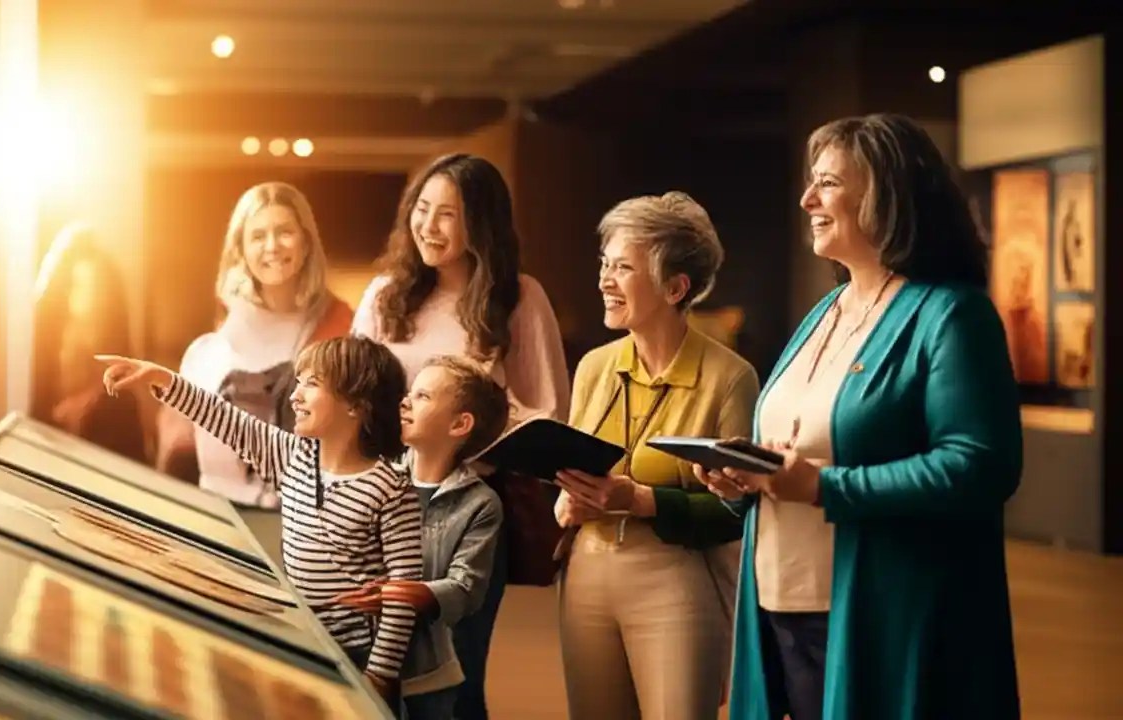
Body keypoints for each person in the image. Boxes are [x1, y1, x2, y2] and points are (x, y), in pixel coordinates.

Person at [700, 113, 1022, 720]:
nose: (807, 199)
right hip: (779, 604)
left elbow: (980, 466)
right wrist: (744, 476)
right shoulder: (826, 309)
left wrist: (823, 486)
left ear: (885, 194)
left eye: (828, 182)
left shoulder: (951, 315)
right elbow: (801, 443)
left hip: (875, 615)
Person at [352, 152, 570, 719]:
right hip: (382, 500)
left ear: (483, 223)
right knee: (370, 671)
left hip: (466, 507)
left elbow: (546, 414)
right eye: (422, 209)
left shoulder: (519, 298)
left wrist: (461, 444)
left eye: (447, 214)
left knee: (456, 679)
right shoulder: (383, 294)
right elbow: (352, 394)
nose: (428, 226)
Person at [97, 336, 420, 711]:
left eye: (311, 384)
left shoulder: (391, 489)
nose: (295, 396)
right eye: (298, 382)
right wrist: (163, 379)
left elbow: (403, 592)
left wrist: (380, 674)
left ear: (356, 406)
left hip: (359, 656)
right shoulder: (293, 456)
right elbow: (226, 419)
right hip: (307, 641)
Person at [552, 191, 759, 720]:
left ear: (675, 287)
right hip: (587, 577)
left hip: (676, 581)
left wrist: (643, 500)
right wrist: (567, 504)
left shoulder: (729, 377)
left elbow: (741, 512)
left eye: (622, 267)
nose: (603, 279)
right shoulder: (594, 367)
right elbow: (572, 473)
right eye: (604, 264)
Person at [155, 182, 353, 506]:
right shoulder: (205, 355)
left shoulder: (342, 337)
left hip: (304, 529)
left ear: (306, 243)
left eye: (285, 232)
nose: (272, 246)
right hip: (215, 521)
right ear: (241, 250)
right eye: (258, 236)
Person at [336, 355, 509, 720]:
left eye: (423, 396)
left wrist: (404, 593)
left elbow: (465, 589)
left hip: (429, 675)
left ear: (460, 424)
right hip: (359, 654)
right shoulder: (374, 478)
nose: (405, 401)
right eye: (409, 393)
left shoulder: (481, 505)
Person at [31, 222, 147, 463]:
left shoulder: (115, 401)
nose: (93, 297)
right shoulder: (40, 356)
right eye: (78, 287)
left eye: (97, 289)